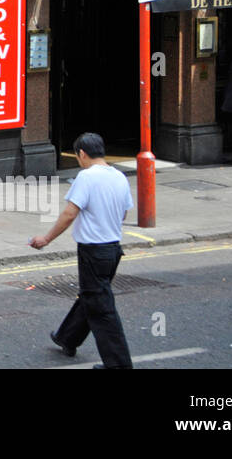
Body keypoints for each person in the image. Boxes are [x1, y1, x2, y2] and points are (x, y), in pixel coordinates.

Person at [29, 132, 133, 369]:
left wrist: (46, 239)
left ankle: (118, 365)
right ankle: (67, 337)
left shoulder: (86, 177)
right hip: (113, 250)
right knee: (92, 296)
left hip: (93, 252)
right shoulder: (119, 176)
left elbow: (70, 213)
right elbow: (125, 212)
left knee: (102, 309)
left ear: (82, 153)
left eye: (77, 156)